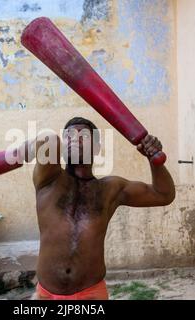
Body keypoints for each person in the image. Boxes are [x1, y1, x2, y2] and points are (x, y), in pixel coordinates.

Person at [14, 117, 175, 300]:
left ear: (97, 148)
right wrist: (26, 148)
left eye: (83, 136)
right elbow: (48, 140)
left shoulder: (110, 189)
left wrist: (153, 158)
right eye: (69, 136)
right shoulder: (48, 179)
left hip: (91, 296)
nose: (75, 139)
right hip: (46, 296)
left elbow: (164, 195)